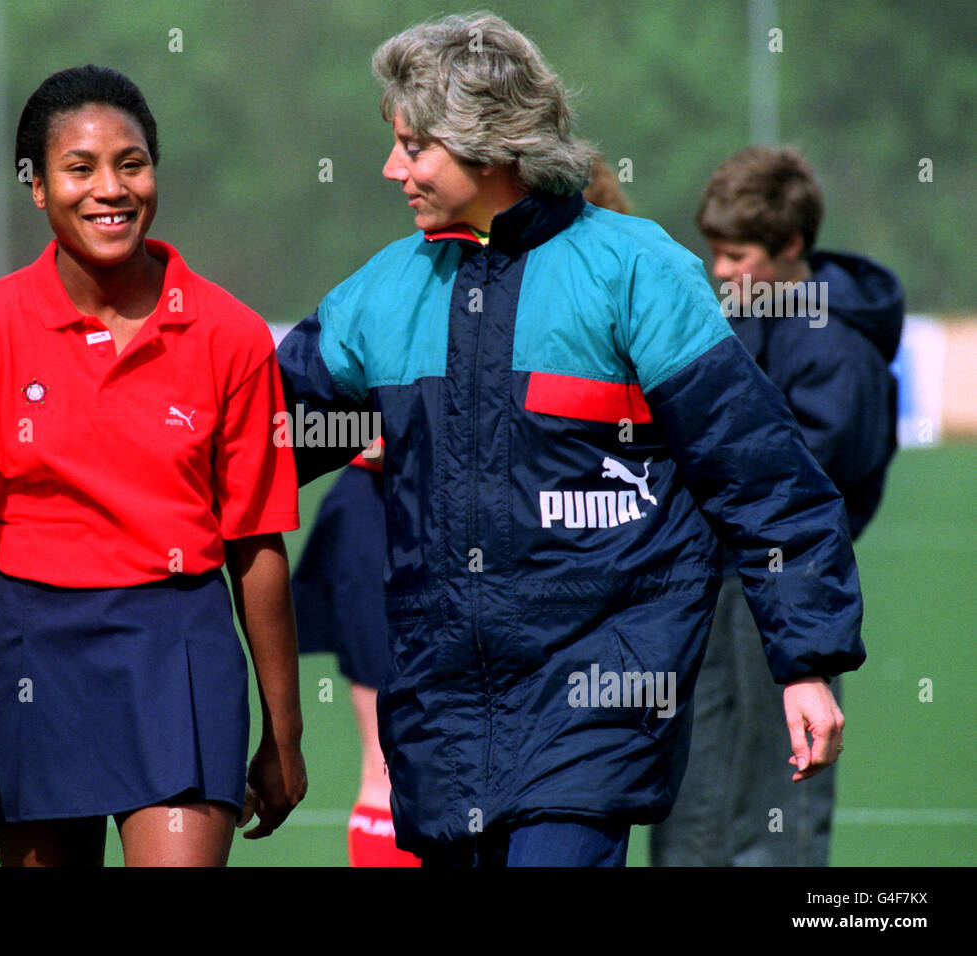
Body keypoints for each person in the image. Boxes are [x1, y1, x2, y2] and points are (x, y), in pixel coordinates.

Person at [275, 14, 864, 866]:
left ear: (489, 145)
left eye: (414, 145)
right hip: (441, 709)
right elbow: (259, 440)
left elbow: (760, 470)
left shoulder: (637, 271)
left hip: (600, 693)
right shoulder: (382, 293)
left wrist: (804, 659)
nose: (391, 168)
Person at [0, 65, 306, 867]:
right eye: (79, 168)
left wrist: (283, 732)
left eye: (131, 163)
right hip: (26, 651)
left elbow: (257, 546)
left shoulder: (230, 333)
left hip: (177, 646)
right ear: (38, 189)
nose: (110, 189)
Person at [290, 160, 631, 867]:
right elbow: (296, 414)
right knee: (388, 769)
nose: (394, 168)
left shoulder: (616, 278)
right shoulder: (414, 273)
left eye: (413, 146)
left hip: (544, 611)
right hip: (383, 525)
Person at [650, 146, 903, 866]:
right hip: (716, 580)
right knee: (698, 774)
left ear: (791, 245)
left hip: (781, 585)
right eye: (715, 254)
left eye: (737, 255)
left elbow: (804, 490)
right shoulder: (744, 316)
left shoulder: (834, 350)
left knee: (773, 787)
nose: (722, 271)